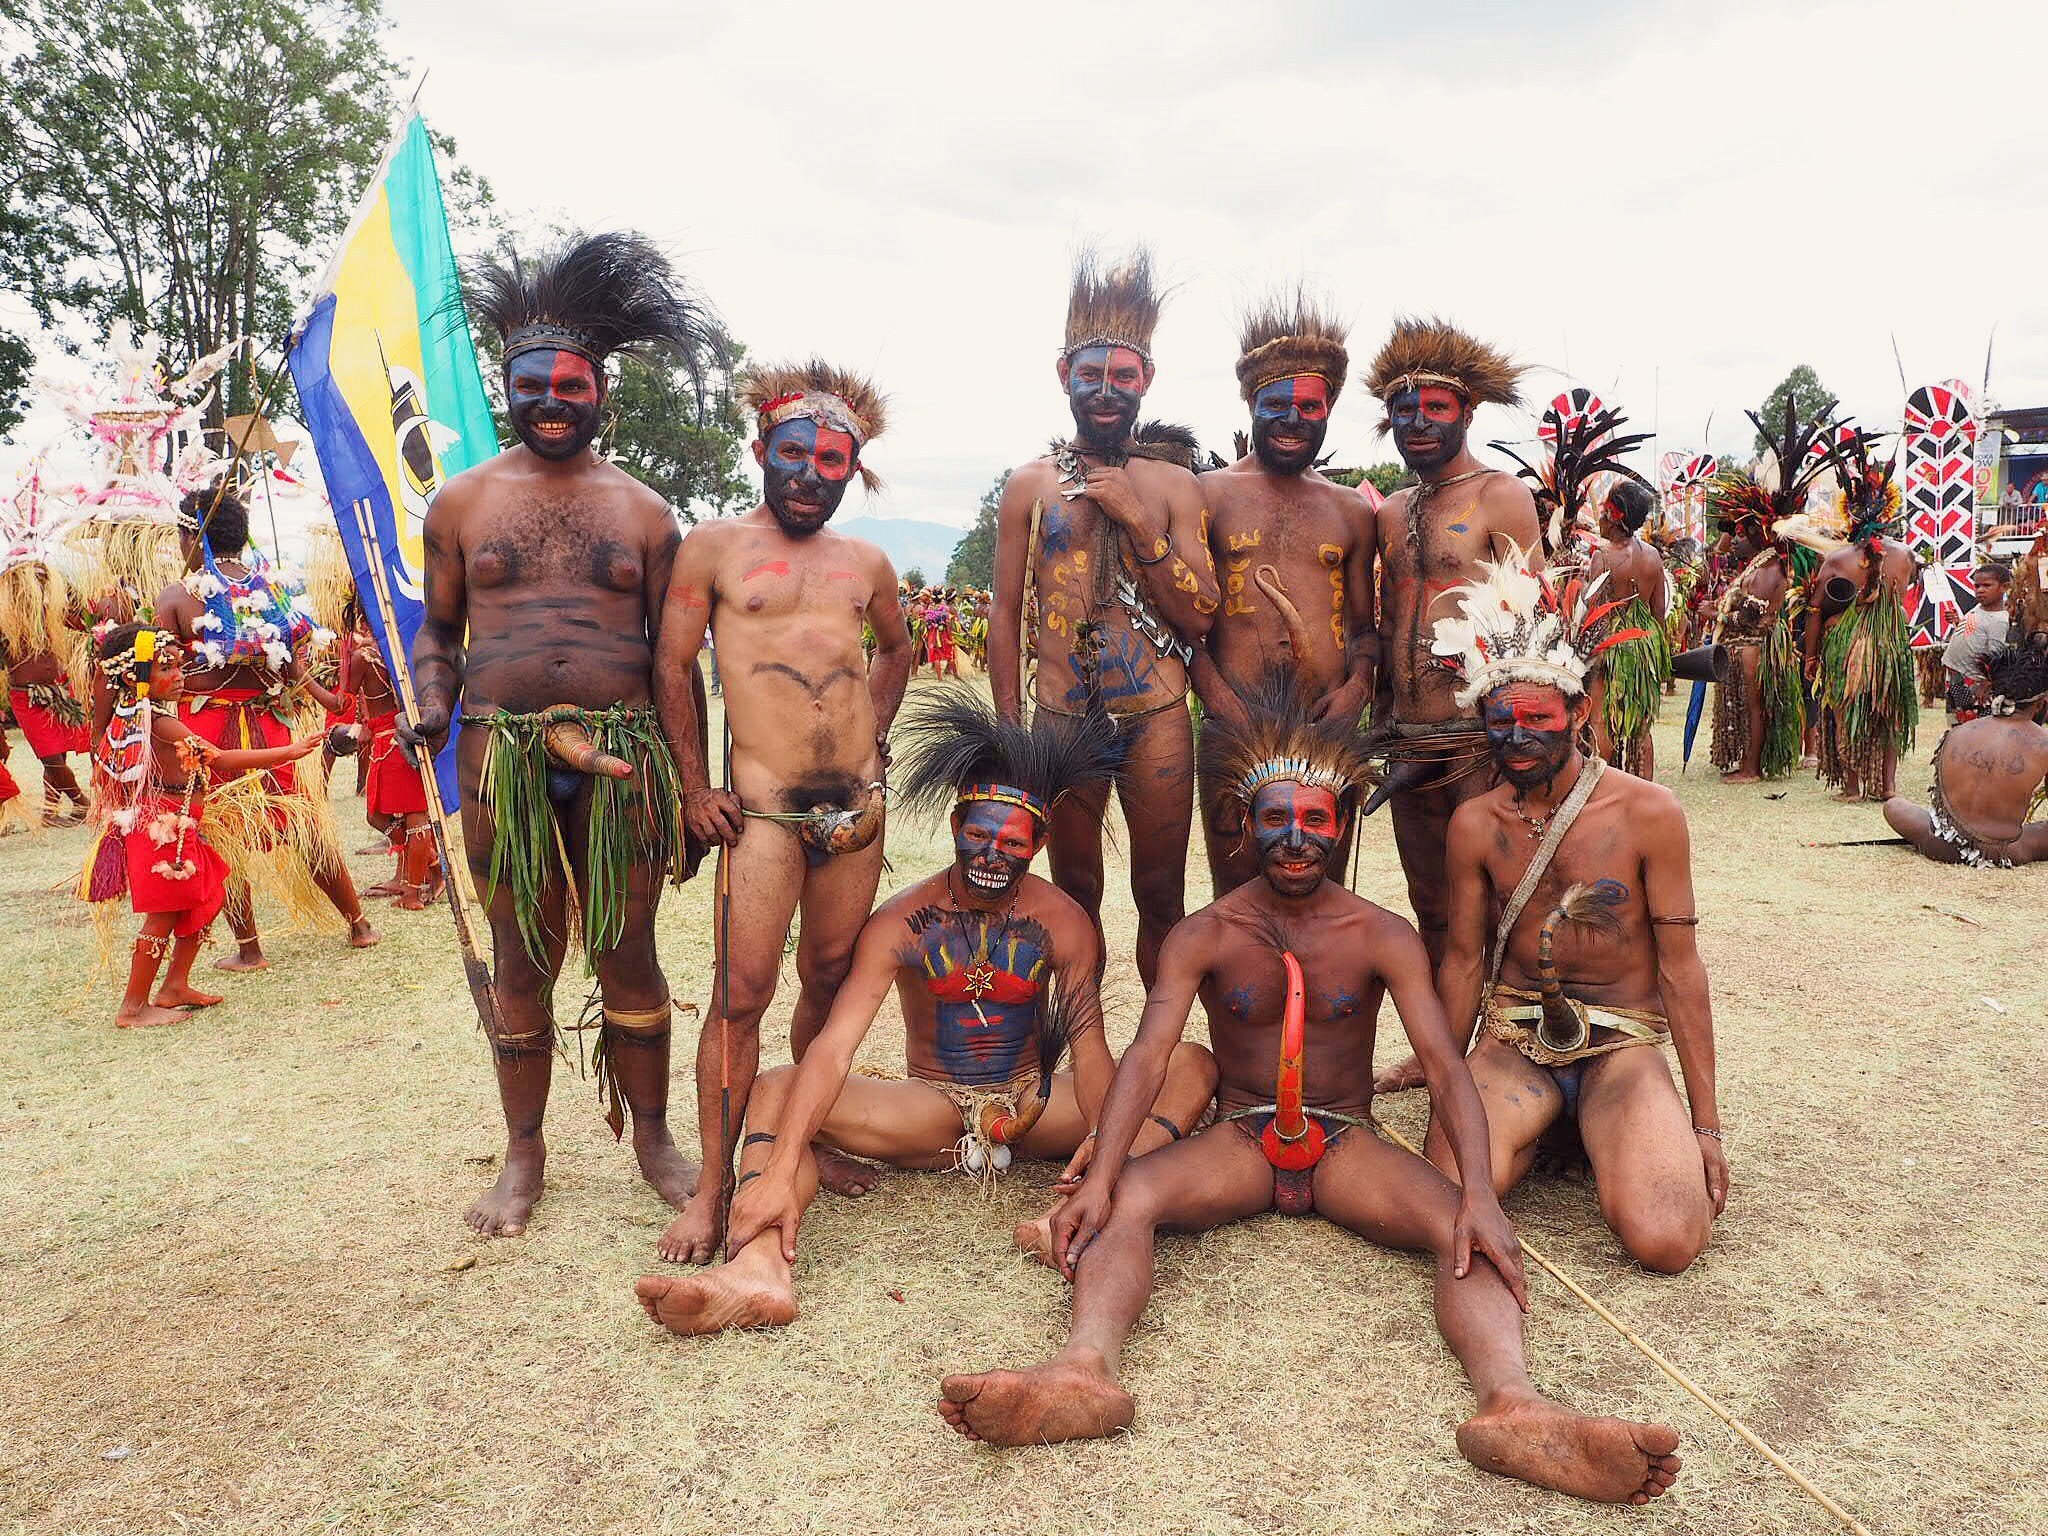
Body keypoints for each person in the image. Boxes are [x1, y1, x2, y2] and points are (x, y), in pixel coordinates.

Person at [937, 680, 1683, 1507]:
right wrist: (1106, 1173)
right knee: (1124, 1205)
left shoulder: (1379, 934)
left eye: (1315, 821)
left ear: (1339, 826)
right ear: (1244, 826)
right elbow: (1149, 1056)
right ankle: (1082, 1373)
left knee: (1463, 1231)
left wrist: (1477, 1194)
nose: (1295, 839)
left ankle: (1513, 1404)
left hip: (1344, 1139)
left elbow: (1444, 1065)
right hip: (1243, 1137)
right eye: (1274, 820)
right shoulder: (1206, 934)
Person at [633, 688, 1216, 1330]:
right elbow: (833, 1047)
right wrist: (777, 1168)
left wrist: (1106, 1157)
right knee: (775, 1090)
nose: (993, 855)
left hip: (1038, 1106)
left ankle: (1097, 1200)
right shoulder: (902, 923)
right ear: (956, 830)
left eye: (1014, 844)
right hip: (933, 1112)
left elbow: (1091, 1050)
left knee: (1190, 1063)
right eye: (979, 836)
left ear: (1039, 843)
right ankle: (759, 1268)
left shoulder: (1064, 923)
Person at [408, 230, 720, 1238]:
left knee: (626, 946)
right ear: (508, 387)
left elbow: (677, 662)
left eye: (571, 383)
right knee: (520, 951)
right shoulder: (460, 502)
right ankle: (524, 1154)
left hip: (622, 754)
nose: (551, 397)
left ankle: (656, 1137)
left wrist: (691, 781)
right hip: (498, 749)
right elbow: (438, 630)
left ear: (601, 392)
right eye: (531, 381)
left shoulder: (644, 513)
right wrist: (426, 701)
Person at [1376, 544, 1725, 1276]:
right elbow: (1466, 958)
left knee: (1667, 1241)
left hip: (1620, 1046)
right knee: (1444, 1197)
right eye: (1501, 722)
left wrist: (1706, 1125)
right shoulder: (1476, 823)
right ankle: (1548, 1131)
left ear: (1580, 707)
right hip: (1515, 1040)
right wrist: (1448, 1071)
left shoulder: (1649, 813)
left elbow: (1681, 969)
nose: (1519, 737)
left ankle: (1595, 1130)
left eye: (1537, 716)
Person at [654, 357, 914, 1263]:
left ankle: (804, 1143)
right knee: (740, 995)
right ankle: (715, 1187)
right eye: (794, 452)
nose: (810, 472)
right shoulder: (715, 547)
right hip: (761, 813)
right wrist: (697, 785)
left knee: (832, 980)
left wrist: (873, 740)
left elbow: (899, 649)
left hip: (855, 812)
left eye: (832, 460)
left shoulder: (866, 562)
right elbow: (671, 666)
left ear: (853, 469)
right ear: (762, 448)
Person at [989, 249, 1220, 985]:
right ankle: (1080, 1044)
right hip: (1062, 716)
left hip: (1154, 713)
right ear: (1065, 376)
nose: (1106, 391)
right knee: (1072, 892)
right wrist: (1007, 731)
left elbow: (1202, 616)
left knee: (1161, 895)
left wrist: (1135, 517)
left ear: (1146, 380)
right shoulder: (1031, 486)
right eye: (1090, 375)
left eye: (1123, 376)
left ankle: (1160, 1050)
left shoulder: (1177, 485)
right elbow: (1002, 611)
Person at [1359, 317, 1540, 963]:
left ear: (1467, 411)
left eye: (1436, 407)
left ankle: (1501, 1042)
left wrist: (1510, 730)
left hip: (1478, 738)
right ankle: (1442, 1049)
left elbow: (1533, 620)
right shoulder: (1387, 511)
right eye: (1403, 409)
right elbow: (1385, 621)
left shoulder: (1501, 494)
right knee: (1429, 902)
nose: (1418, 421)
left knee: (1493, 896)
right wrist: (1381, 713)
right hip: (1408, 735)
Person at [1193, 293, 1375, 894]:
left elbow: (1364, 625)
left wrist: (1356, 689)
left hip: (1327, 724)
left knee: (1325, 891)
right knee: (1238, 890)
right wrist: (1217, 696)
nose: (1292, 418)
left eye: (1309, 405)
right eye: (1276, 404)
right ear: (1252, 405)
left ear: (1327, 411)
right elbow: (1183, 622)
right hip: (1235, 720)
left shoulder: (1350, 509)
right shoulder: (1209, 494)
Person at [154, 484, 378, 964]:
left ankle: (249, 948)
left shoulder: (176, 596)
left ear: (194, 540)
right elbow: (293, 661)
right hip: (268, 725)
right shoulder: (272, 590)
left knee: (222, 830)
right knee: (301, 824)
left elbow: (162, 669)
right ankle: (358, 923)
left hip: (208, 729)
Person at [79, 624, 319, 1027]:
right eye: (165, 668)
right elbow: (220, 759)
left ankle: (174, 986)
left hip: (178, 826)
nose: (178, 676)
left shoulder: (144, 717)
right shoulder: (160, 723)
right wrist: (290, 751)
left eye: (178, 666)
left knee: (208, 893)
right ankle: (133, 1008)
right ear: (131, 678)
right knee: (163, 916)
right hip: (162, 833)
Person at [1805, 448, 1916, 801]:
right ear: (1887, 511)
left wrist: (1810, 657)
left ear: (1849, 514)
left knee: (1846, 710)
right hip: (1889, 644)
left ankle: (1852, 787)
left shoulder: (1837, 559)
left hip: (1846, 643)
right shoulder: (1906, 556)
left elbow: (1815, 610)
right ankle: (1888, 786)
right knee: (1887, 713)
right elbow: (1902, 595)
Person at [1883, 643, 2048, 865]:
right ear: (2040, 704)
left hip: (1941, 844)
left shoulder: (1958, 732)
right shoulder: (2043, 743)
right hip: (2004, 852)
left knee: (1894, 806)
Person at [1, 499, 92, 823]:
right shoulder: (5, 618)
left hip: (57, 690)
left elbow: (84, 620)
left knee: (59, 752)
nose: (38, 581)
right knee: (51, 756)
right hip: (27, 695)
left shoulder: (52, 608)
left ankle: (52, 811)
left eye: (42, 576)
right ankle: (81, 804)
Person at [345, 617, 440, 911]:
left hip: (395, 738)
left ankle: (411, 894)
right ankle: (434, 868)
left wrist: (300, 677)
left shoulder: (366, 656)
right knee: (381, 816)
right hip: (402, 735)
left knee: (415, 818)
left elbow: (339, 702)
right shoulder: (407, 649)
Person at [1586, 480, 1671, 777]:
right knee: (1640, 725)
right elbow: (1659, 611)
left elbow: (1592, 610)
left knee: (1602, 719)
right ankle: (1644, 787)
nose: (1598, 518)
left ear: (1614, 516)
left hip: (1610, 643)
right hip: (1644, 644)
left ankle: (1602, 786)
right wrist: (1654, 654)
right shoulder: (1653, 556)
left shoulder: (1602, 556)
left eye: (1602, 512)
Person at [1941, 564, 2011, 721]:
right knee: (1957, 724)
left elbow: (1995, 656)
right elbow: (1973, 632)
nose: (1980, 590)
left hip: (1974, 685)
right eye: (1977, 585)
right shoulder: (1978, 608)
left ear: (2004, 587)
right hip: (1955, 680)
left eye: (1987, 585)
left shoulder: (1999, 620)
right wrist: (1958, 622)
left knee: (1973, 727)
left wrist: (1987, 683)